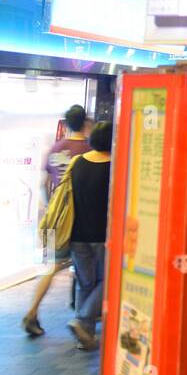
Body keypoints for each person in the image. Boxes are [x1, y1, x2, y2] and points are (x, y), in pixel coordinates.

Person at [23, 104, 90, 337]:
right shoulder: (88, 149)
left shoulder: (55, 148)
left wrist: (51, 204)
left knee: (48, 268)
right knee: (85, 267)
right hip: (77, 220)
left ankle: (32, 312)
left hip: (54, 216)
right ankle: (83, 318)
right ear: (85, 122)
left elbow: (42, 184)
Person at [68, 121, 113, 351]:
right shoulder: (114, 167)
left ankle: (83, 337)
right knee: (107, 281)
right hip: (102, 235)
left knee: (84, 282)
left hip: (76, 233)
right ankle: (82, 319)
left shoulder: (77, 162)